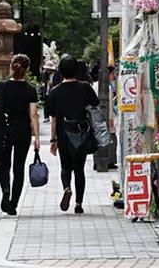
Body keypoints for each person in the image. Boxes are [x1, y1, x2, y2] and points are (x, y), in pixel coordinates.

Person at [47, 55, 100, 214]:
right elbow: (95, 105)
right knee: (79, 168)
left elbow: (53, 119)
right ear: (76, 70)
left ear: (60, 71)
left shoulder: (54, 92)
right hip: (81, 130)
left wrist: (53, 139)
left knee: (65, 167)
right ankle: (78, 203)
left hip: (63, 131)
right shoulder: (84, 87)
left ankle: (67, 188)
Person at [0, 54, 39, 216]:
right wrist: (37, 137)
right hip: (22, 131)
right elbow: (33, 115)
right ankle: (14, 203)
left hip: (3, 130)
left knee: (4, 164)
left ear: (11, 67)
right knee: (19, 167)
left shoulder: (1, 87)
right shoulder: (31, 90)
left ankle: (5, 190)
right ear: (27, 70)